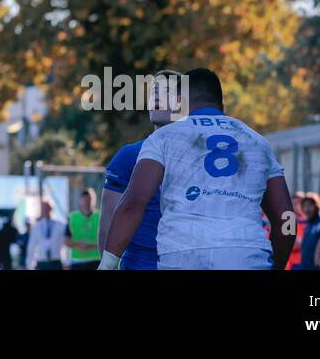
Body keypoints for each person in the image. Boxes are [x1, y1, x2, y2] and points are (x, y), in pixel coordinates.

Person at [100, 68, 294, 270]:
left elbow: (133, 203)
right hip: (245, 255)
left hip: (183, 254)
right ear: (221, 103)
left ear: (180, 101)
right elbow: (286, 218)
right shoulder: (258, 142)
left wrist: (107, 265)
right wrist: (277, 265)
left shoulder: (164, 137)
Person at [98, 70, 182, 270]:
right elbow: (108, 221)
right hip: (140, 263)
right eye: (154, 91)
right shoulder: (129, 155)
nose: (156, 97)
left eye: (166, 91)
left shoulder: (201, 157)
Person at [66, 188, 100, 270]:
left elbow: (106, 240)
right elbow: (66, 241)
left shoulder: (100, 216)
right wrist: (79, 244)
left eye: (89, 199)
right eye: (84, 199)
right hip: (77, 261)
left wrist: (90, 245)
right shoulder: (72, 217)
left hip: (96, 260)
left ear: (94, 200)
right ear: (80, 201)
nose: (87, 202)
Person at [293, 192, 320, 270]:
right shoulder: (309, 224)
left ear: (317, 205)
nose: (307, 209)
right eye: (304, 206)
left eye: (310, 205)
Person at [26, 201, 64, 270]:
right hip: (42, 262)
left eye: (47, 208)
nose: (45, 210)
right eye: (43, 208)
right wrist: (29, 264)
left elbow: (65, 244)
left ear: (51, 209)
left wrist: (67, 261)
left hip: (56, 261)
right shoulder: (36, 227)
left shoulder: (60, 225)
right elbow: (31, 246)